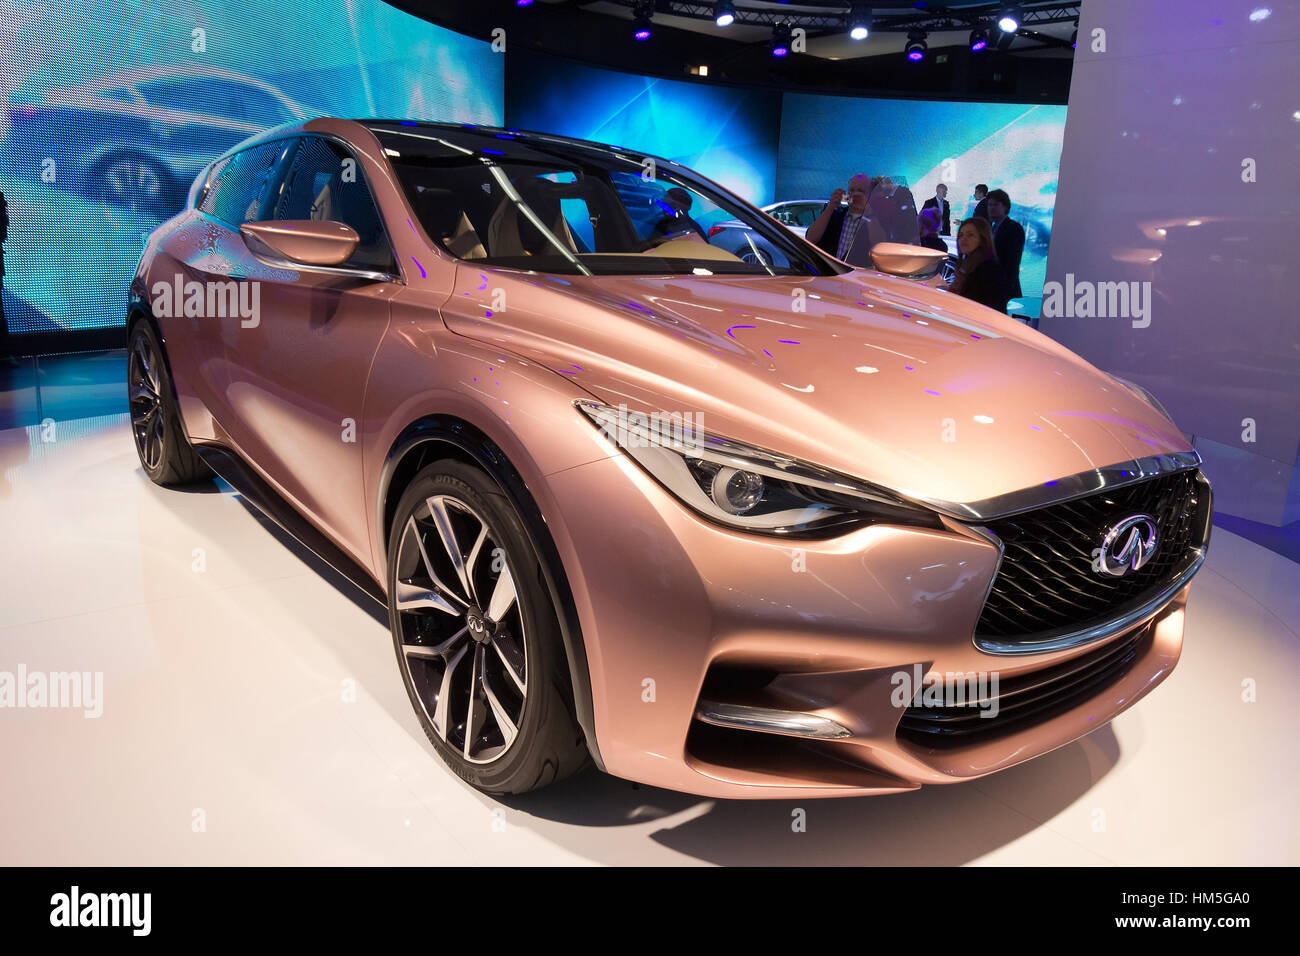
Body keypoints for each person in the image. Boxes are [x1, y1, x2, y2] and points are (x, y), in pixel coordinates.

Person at [806, 173, 884, 267]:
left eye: (861, 191)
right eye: (852, 190)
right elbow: (810, 239)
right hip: (828, 274)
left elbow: (881, 249)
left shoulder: (874, 220)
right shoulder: (835, 215)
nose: (855, 194)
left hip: (856, 277)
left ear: (871, 195)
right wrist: (831, 206)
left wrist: (868, 210)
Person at [949, 217, 1008, 313]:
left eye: (970, 235)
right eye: (960, 235)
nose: (964, 239)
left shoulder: (989, 269)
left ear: (982, 238)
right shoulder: (965, 267)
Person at [986, 188, 1025, 300]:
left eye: (996, 205)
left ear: (1005, 207)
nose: (991, 208)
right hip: (991, 289)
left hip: (1004, 291)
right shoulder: (991, 228)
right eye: (989, 205)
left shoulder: (1014, 228)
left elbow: (1011, 263)